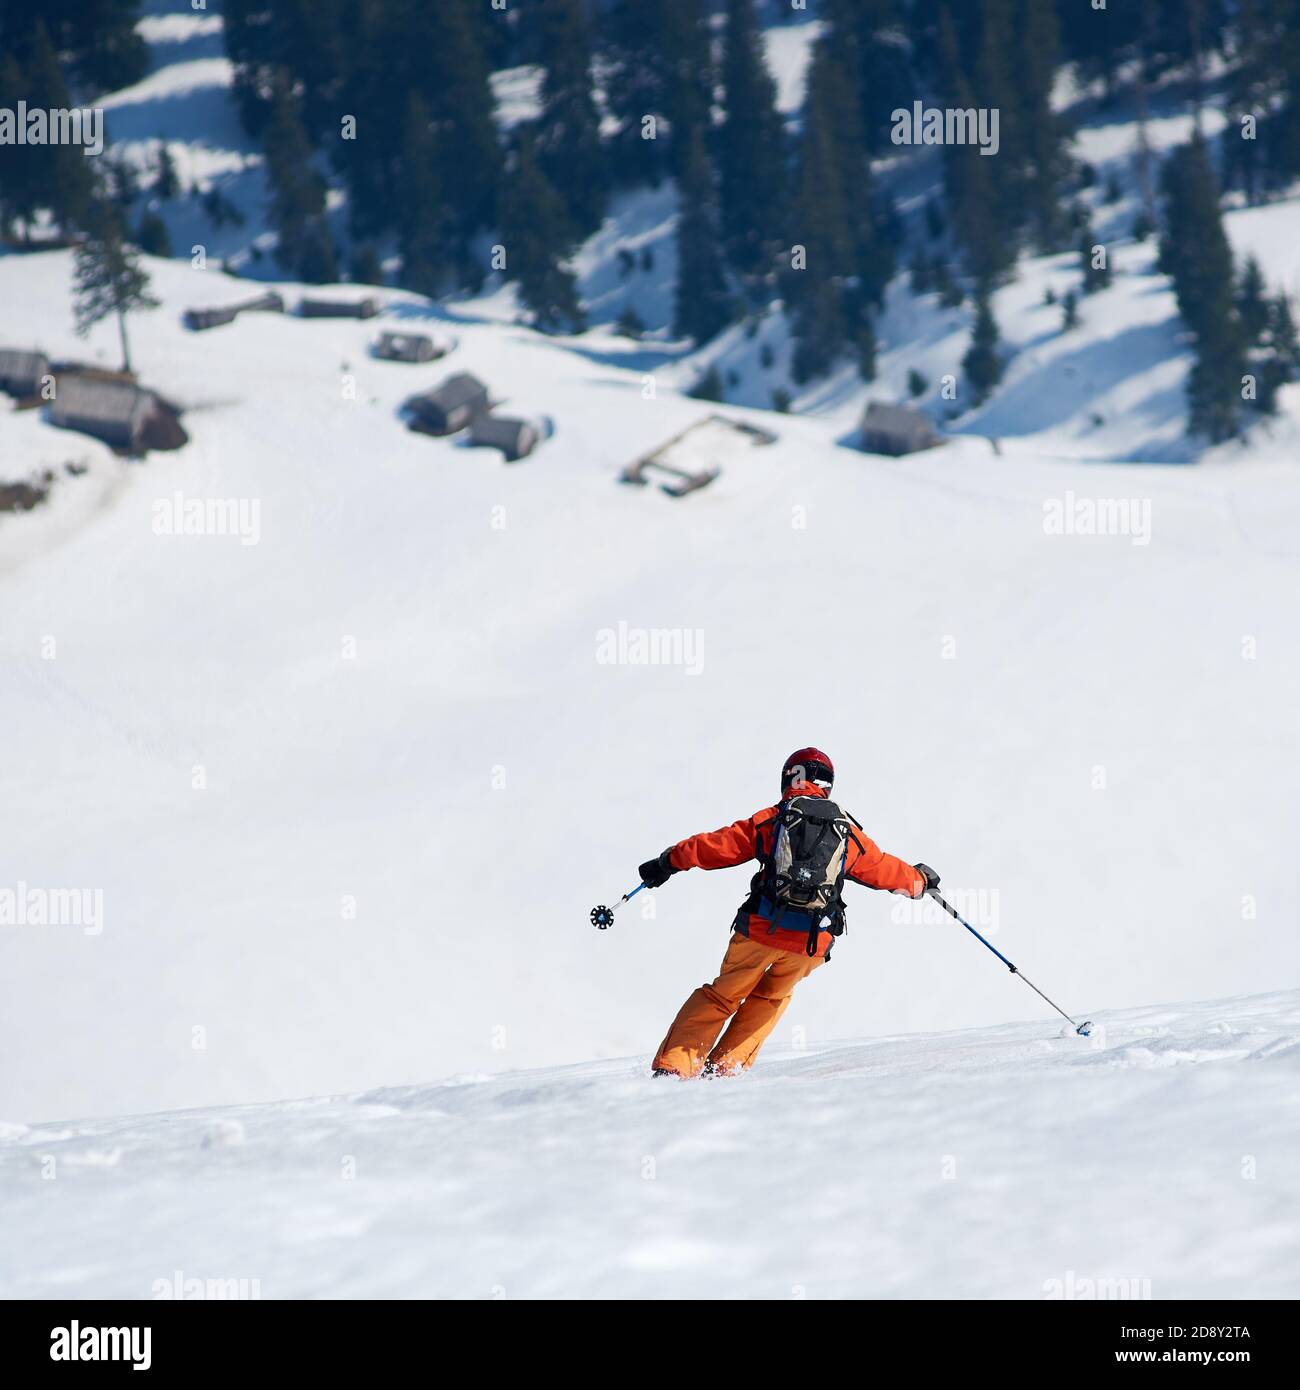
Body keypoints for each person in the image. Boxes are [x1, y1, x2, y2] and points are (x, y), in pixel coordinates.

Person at [638, 747, 939, 1078]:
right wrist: (920, 880)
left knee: (722, 997)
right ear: (827, 784)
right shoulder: (844, 829)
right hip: (810, 943)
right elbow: (882, 869)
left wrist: (668, 862)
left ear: (788, 778)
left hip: (761, 928)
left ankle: (675, 1067)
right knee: (770, 999)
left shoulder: (774, 819)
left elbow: (717, 846)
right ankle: (725, 1070)